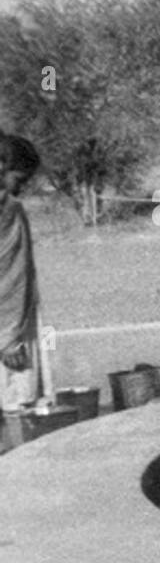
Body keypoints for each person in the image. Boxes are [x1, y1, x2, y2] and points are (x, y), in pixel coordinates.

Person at [0, 132, 42, 415]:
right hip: (7, 329)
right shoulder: (9, 211)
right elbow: (11, 277)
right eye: (20, 180)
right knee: (17, 410)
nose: (21, 189)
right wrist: (9, 337)